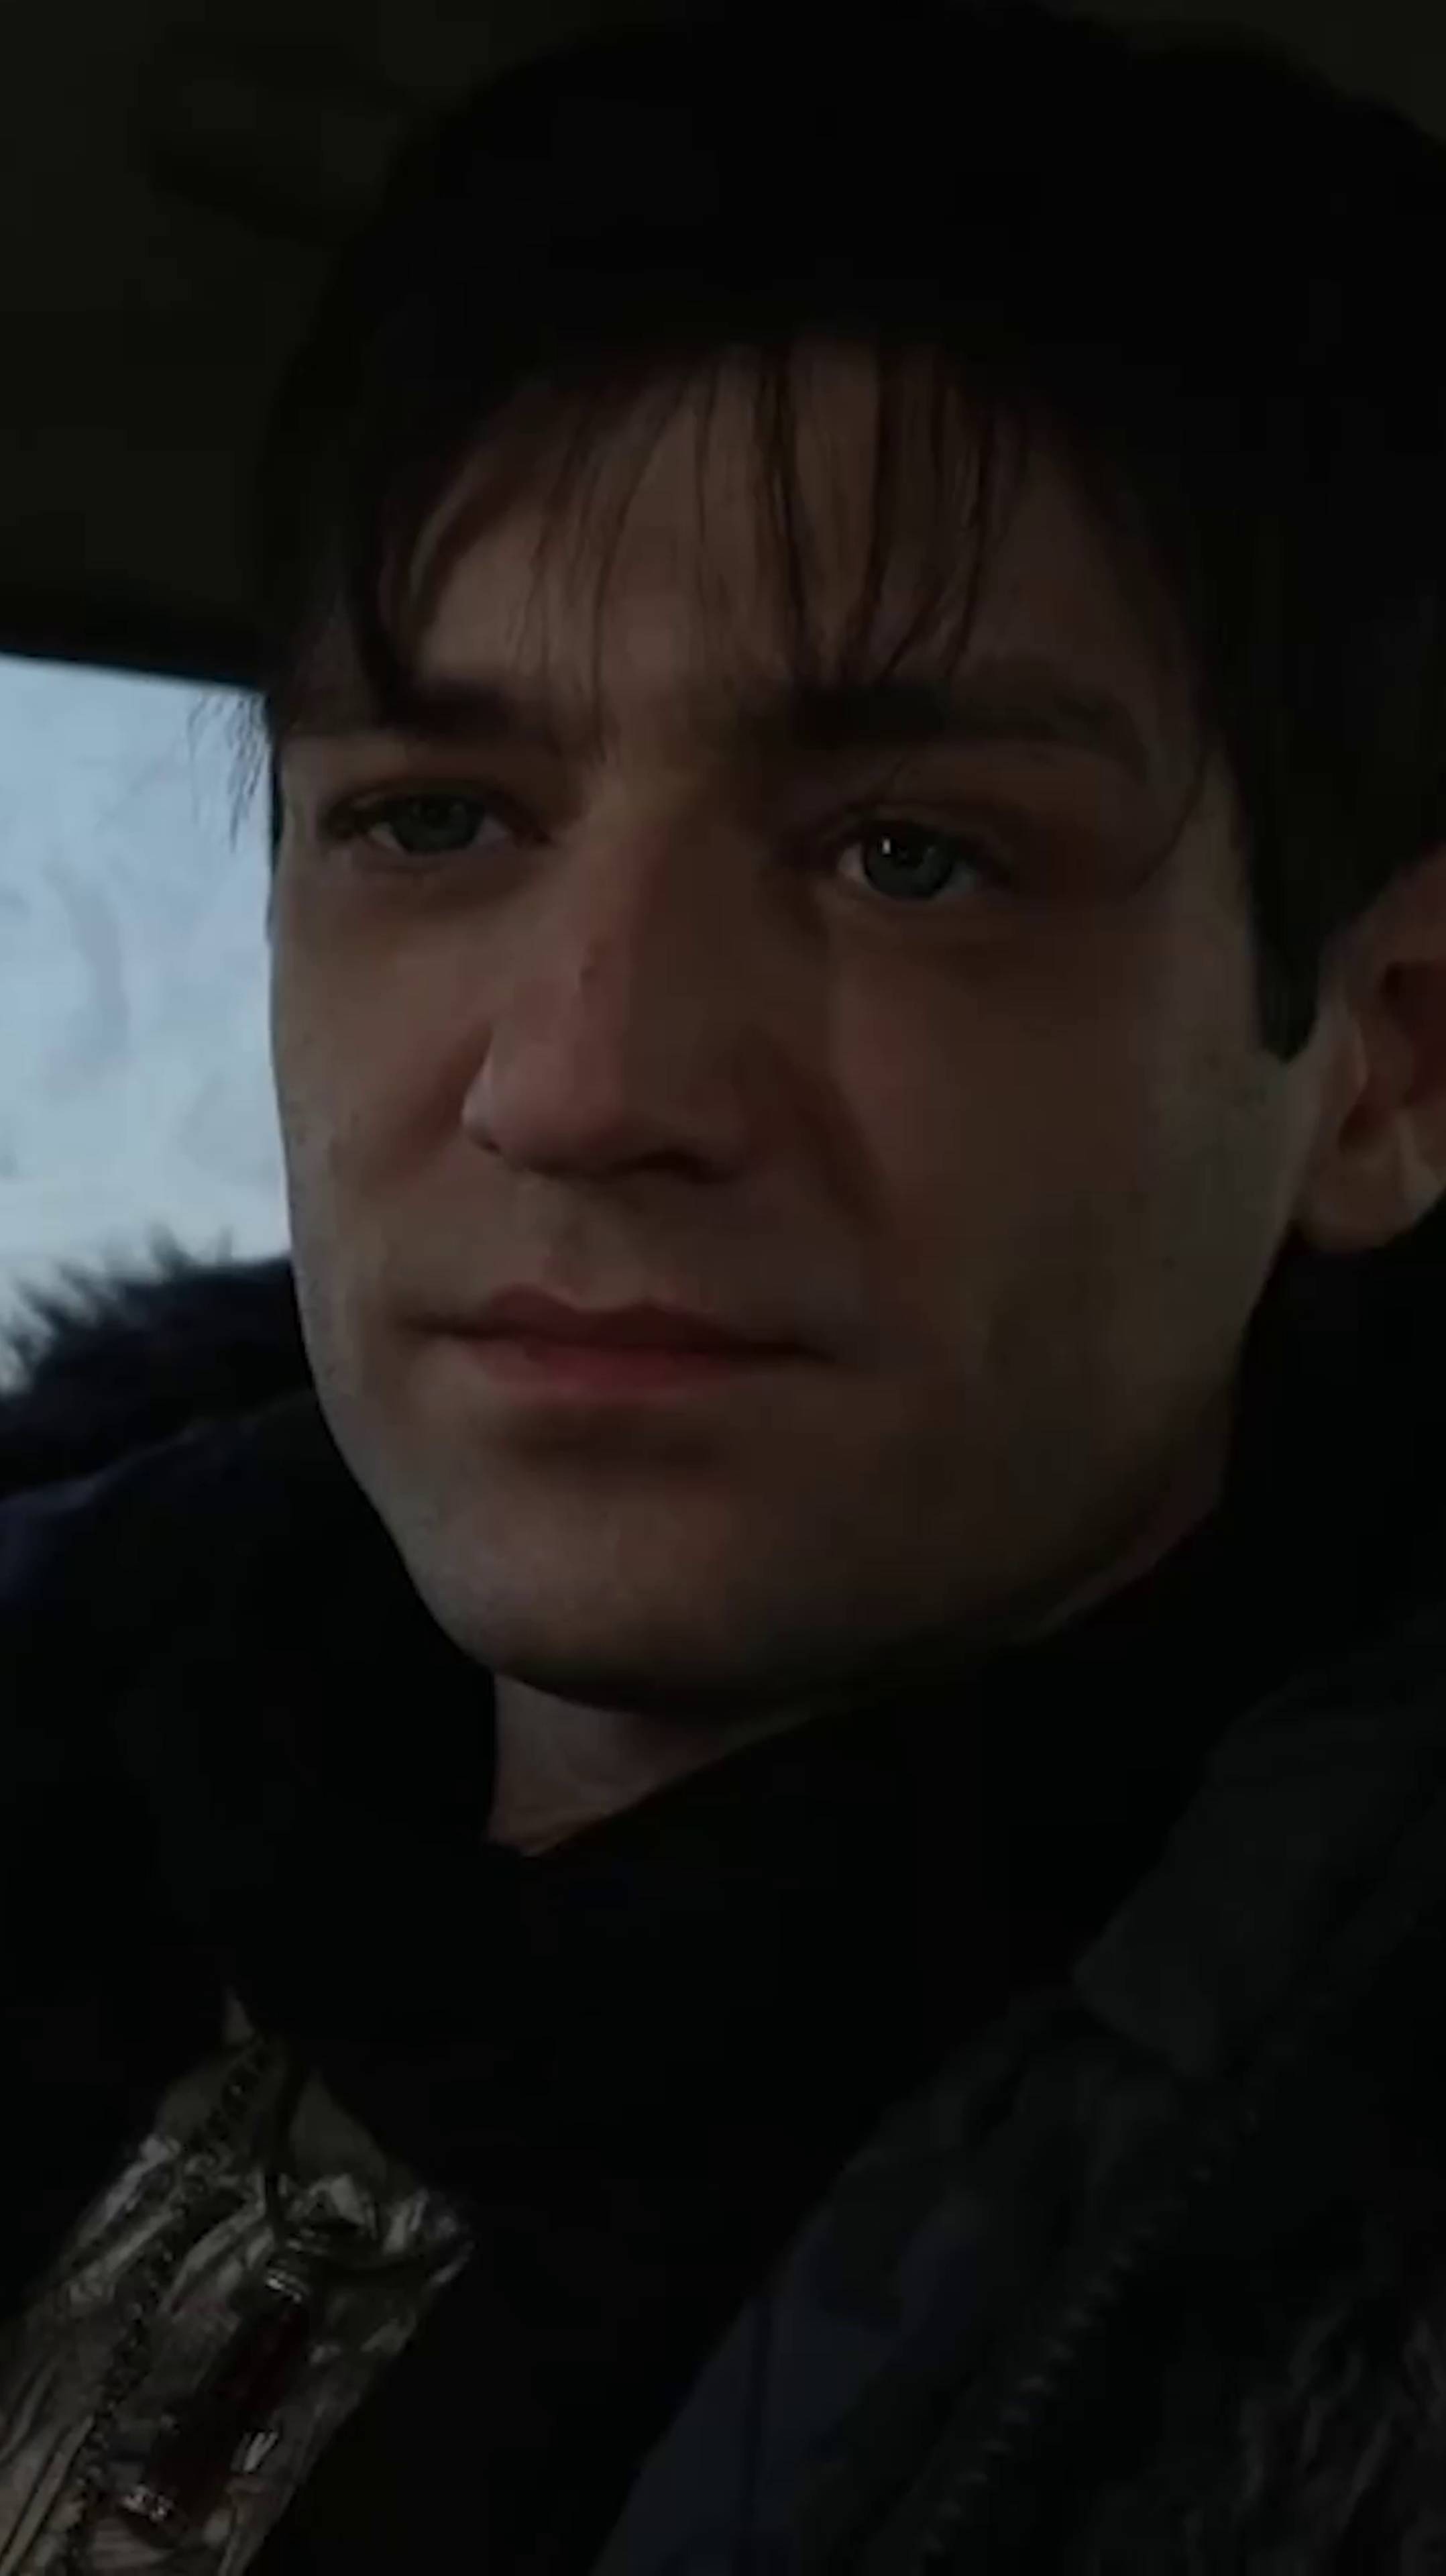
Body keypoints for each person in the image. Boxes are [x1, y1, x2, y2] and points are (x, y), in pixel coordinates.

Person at [5, 0, 1446, 2564]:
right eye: (432, 821)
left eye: (912, 857)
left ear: (1383, 1065)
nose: (579, 1083)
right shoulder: (77, 1712)